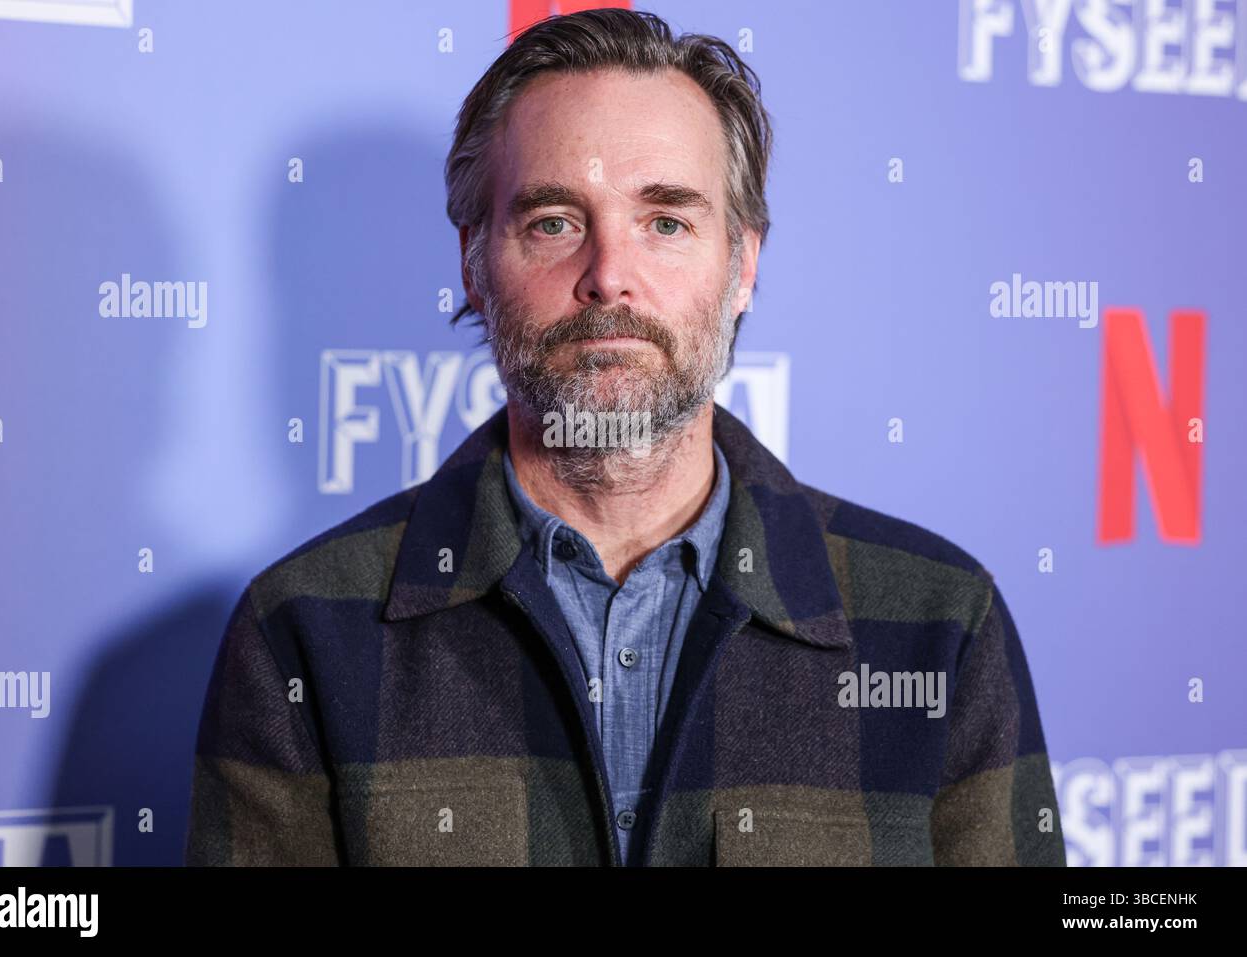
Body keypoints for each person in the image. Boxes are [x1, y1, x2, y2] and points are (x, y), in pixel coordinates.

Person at [185, 8, 1065, 866]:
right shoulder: (303, 630)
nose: (609, 276)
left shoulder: (937, 622)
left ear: (744, 262)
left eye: (666, 222)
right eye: (554, 222)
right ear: (474, 262)